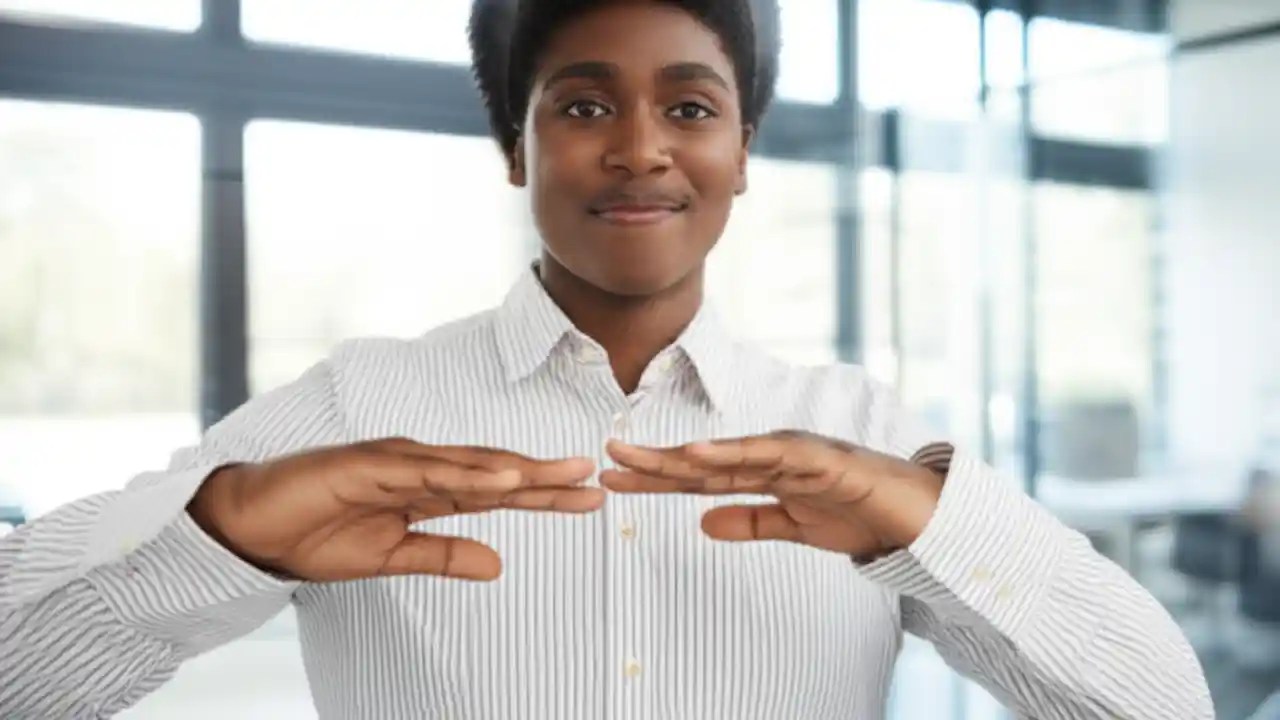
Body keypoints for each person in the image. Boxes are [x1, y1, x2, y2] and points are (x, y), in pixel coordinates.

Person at [0, 1, 1212, 718]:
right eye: (582, 107)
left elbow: (1162, 703)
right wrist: (221, 539)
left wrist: (928, 525)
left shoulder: (857, 430)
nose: (638, 150)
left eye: (689, 109)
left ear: (743, 151)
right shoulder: (349, 409)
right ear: (513, 149)